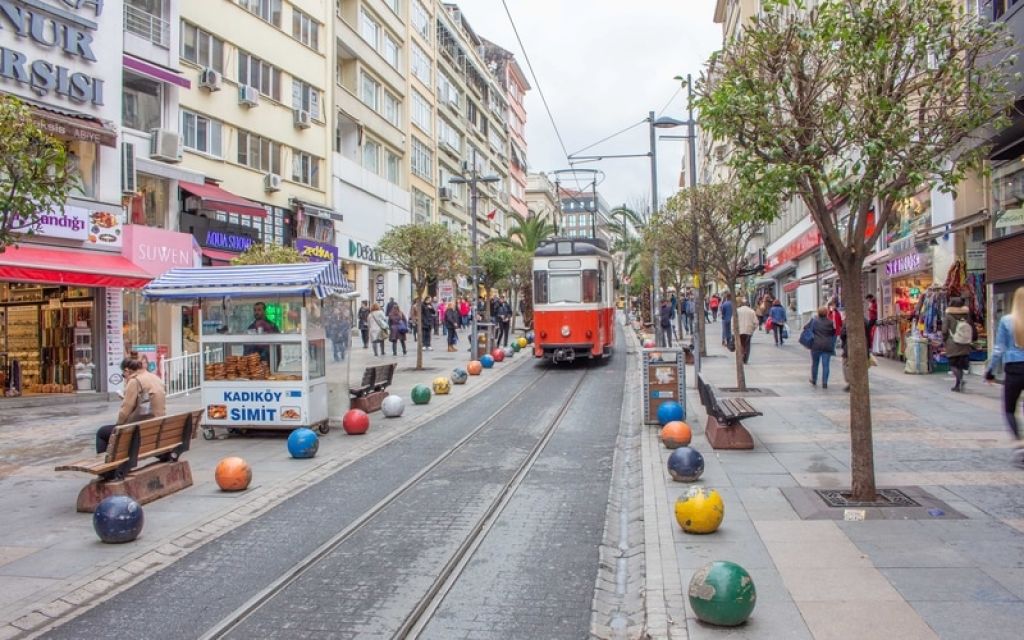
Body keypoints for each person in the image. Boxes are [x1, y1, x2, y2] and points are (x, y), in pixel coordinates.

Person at [95, 358, 167, 454]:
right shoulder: (156, 378)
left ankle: (105, 466)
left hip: (140, 429)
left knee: (102, 433)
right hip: (158, 426)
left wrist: (118, 425)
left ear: (127, 370)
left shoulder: (135, 381)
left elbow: (125, 411)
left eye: (123, 375)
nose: (124, 378)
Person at [986, 287, 1024, 457]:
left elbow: (999, 349)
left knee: (1009, 409)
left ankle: (1019, 442)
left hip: (1014, 370)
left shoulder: (1007, 320)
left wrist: (990, 371)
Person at [942, 296, 973, 393]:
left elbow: (944, 330)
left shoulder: (948, 316)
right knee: (960, 364)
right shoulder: (966, 315)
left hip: (953, 343)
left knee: (953, 364)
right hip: (965, 343)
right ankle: (957, 384)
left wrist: (944, 339)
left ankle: (960, 381)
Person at [807, 306, 837, 389]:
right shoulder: (830, 322)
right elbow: (833, 333)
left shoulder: (814, 321)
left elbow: (808, 329)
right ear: (827, 313)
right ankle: (825, 383)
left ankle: (814, 379)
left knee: (815, 363)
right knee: (826, 365)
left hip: (816, 345)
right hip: (827, 345)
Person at [736, 297, 758, 364]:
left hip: (739, 330)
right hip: (748, 330)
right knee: (747, 345)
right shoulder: (752, 311)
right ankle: (745, 358)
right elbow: (756, 322)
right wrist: (753, 329)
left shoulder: (737, 310)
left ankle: (741, 355)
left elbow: (733, 321)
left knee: (740, 344)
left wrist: (733, 330)